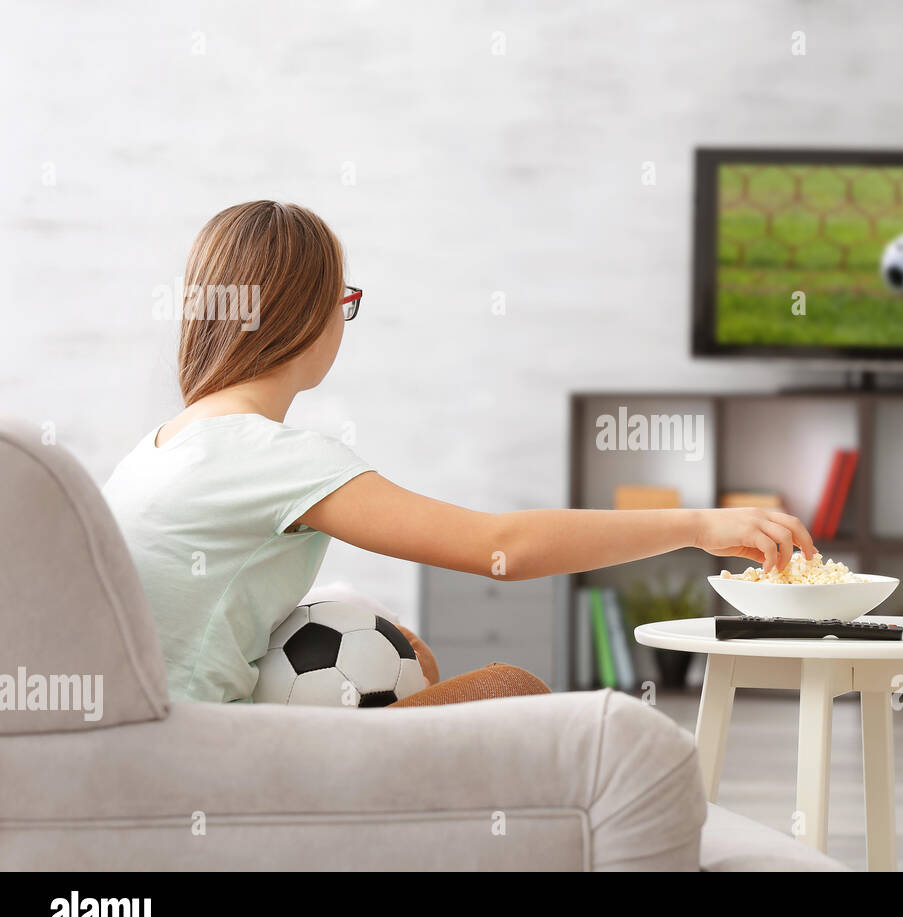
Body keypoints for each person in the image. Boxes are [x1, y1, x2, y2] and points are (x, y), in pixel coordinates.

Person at [103, 201, 817, 707]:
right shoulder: (278, 456)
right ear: (306, 314)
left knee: (401, 638)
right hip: (200, 751)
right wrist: (697, 526)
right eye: (342, 301)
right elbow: (501, 546)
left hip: (145, 733)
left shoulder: (157, 448)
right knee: (514, 688)